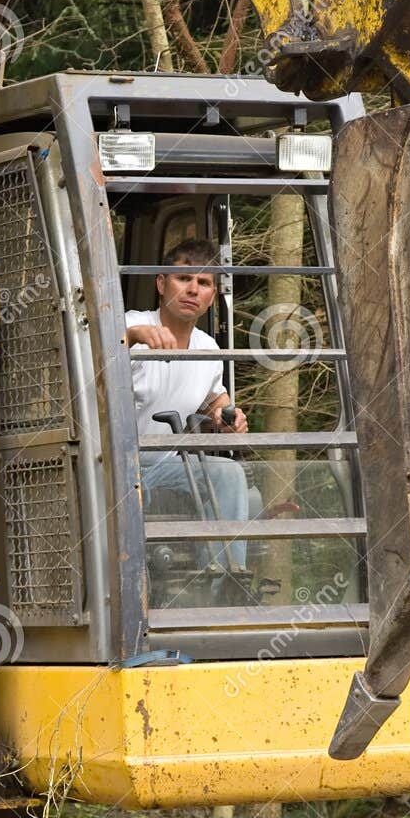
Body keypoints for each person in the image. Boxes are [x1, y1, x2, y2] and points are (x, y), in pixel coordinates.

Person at [126, 238, 261, 572]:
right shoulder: (128, 323)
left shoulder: (208, 349)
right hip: (117, 464)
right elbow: (90, 353)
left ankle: (225, 583)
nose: (193, 289)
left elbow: (215, 401)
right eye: (183, 279)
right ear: (161, 284)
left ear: (212, 296)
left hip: (168, 468)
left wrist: (228, 418)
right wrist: (132, 338)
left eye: (203, 283)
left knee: (230, 475)